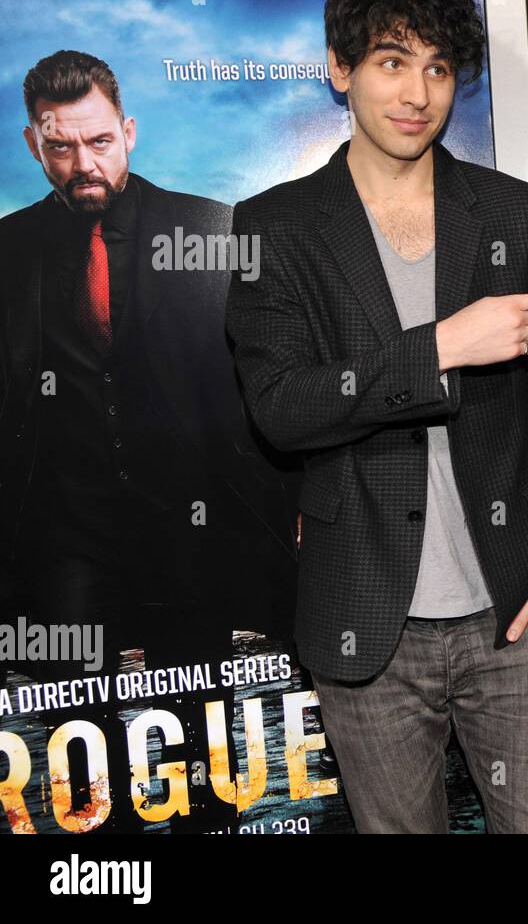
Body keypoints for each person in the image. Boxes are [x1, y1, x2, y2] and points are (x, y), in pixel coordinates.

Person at [224, 0, 528, 834]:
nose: (418, 91)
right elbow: (282, 408)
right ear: (340, 71)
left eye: (438, 67)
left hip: (512, 617)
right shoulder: (273, 227)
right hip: (365, 625)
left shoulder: (512, 215)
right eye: (392, 61)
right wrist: (442, 350)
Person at [0, 49, 294, 832]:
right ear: (35, 144)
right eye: (60, 146)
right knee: (81, 778)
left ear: (128, 131)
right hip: (65, 541)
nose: (81, 162)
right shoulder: (8, 252)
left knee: (199, 757)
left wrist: (287, 510)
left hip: (186, 532)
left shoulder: (210, 230)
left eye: (98, 142)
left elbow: (259, 390)